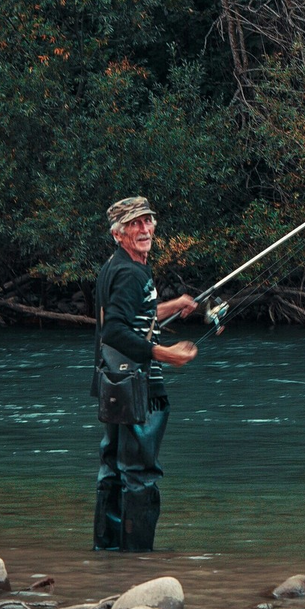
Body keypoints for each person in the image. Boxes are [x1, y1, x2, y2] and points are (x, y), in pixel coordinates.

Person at [92, 196, 198, 552]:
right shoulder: (130, 272)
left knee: (112, 468)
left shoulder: (115, 267)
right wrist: (163, 353)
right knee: (139, 474)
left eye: (147, 221)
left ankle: (107, 554)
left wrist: (175, 304)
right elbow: (115, 331)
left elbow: (133, 311)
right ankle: (138, 560)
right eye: (134, 224)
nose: (144, 229)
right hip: (137, 389)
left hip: (113, 385)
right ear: (118, 234)